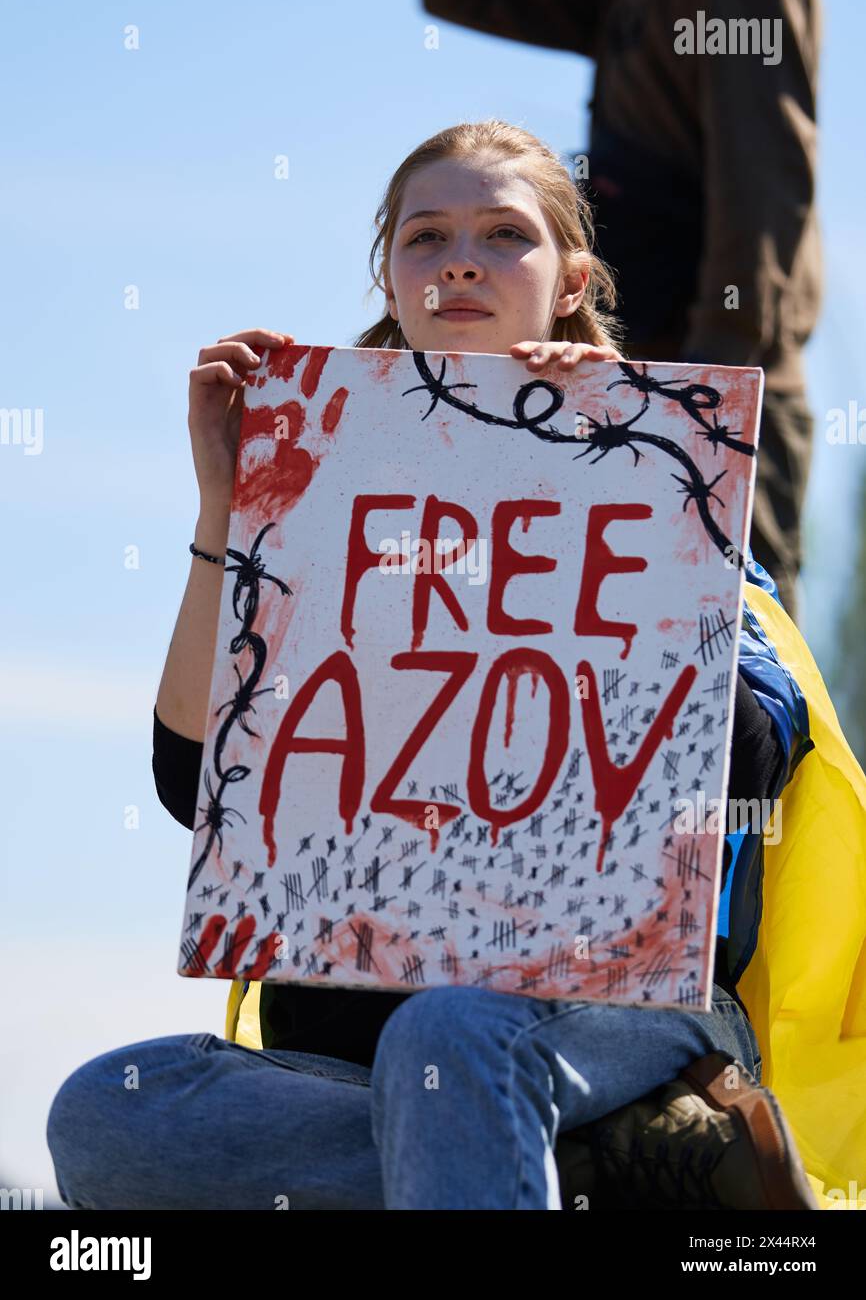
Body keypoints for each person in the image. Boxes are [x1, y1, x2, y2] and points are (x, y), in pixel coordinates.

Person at [46, 120, 857, 1211]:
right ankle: (574, 1168)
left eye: (501, 234)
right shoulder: (319, 489)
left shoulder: (660, 462)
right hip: (339, 1040)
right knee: (110, 1108)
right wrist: (227, 506)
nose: (459, 259)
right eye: (425, 236)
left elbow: (745, 764)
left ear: (572, 279)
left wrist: (612, 473)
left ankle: (504, 1130)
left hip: (611, 1008)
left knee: (452, 1035)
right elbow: (193, 781)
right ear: (388, 270)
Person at [414, 0, 821, 624]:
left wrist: (701, 401)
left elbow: (760, 170)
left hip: (709, 389)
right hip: (639, 392)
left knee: (722, 677)